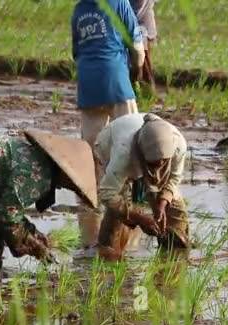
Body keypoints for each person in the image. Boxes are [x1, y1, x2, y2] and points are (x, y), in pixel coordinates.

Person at [71, 0, 145, 247]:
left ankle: (91, 201)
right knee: (132, 138)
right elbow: (136, 45)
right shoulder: (119, 2)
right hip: (115, 79)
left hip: (88, 83)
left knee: (90, 149)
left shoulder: (79, 9)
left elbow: (77, 52)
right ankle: (133, 196)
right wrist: (138, 68)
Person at [0, 129, 98, 280]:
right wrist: (32, 244)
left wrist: (32, 232)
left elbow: (2, 211)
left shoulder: (33, 156)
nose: (65, 187)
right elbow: (8, 216)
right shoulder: (39, 174)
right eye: (69, 184)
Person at [94, 113, 189, 261]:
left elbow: (174, 178)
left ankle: (173, 260)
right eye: (152, 165)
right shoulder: (123, 153)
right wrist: (138, 217)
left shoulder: (178, 144)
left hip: (146, 152)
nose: (157, 171)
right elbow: (107, 193)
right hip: (109, 143)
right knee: (118, 209)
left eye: (163, 163)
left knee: (175, 209)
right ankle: (109, 255)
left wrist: (162, 203)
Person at [130, 0, 158, 91]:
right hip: (134, 11)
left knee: (143, 54)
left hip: (140, 13)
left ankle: (146, 87)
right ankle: (144, 87)